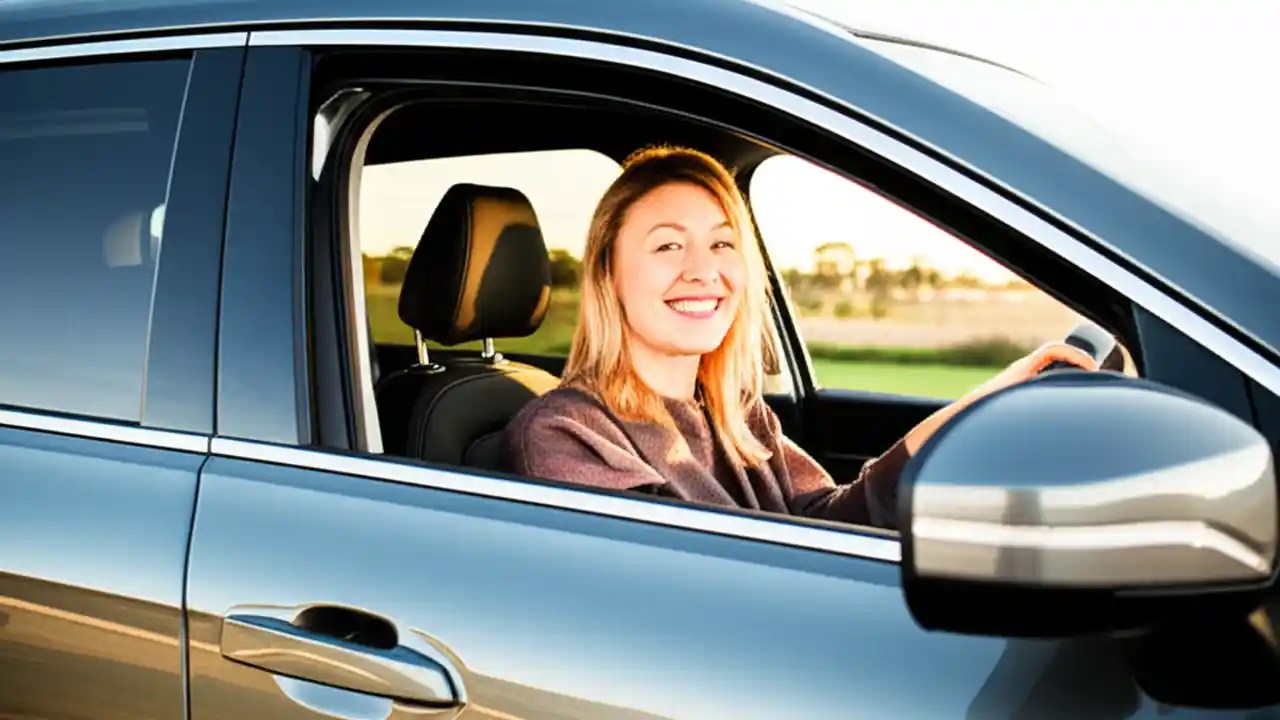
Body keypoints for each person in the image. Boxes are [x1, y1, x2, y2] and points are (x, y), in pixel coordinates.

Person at [500, 146, 1097, 529]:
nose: (703, 270)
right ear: (608, 273)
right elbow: (681, 587)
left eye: (722, 243)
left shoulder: (736, 416)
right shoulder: (565, 436)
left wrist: (980, 406)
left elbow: (835, 520)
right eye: (667, 244)